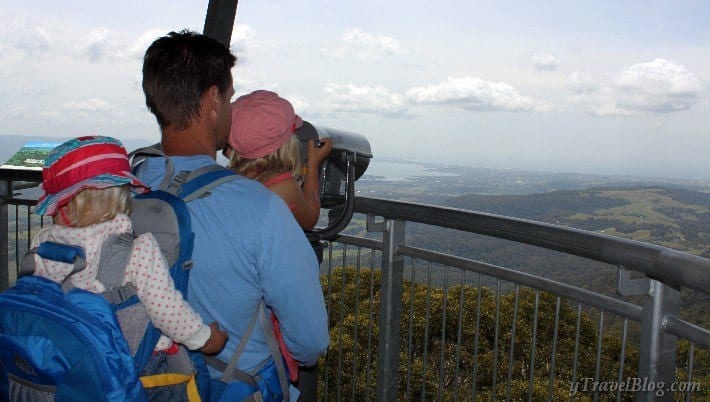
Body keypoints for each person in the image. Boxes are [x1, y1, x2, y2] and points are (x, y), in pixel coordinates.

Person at [139, 30, 329, 401]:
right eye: (229, 97)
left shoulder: (126, 184)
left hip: (149, 381)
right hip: (234, 386)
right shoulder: (260, 208)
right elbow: (311, 340)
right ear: (213, 100)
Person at [31, 135, 229, 357]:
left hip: (59, 359)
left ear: (63, 207)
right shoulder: (139, 249)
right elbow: (166, 310)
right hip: (122, 367)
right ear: (122, 195)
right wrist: (206, 339)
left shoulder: (42, 244)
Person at [224, 90, 333, 230]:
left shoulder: (228, 179)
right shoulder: (282, 186)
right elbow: (309, 220)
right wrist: (313, 166)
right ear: (288, 143)